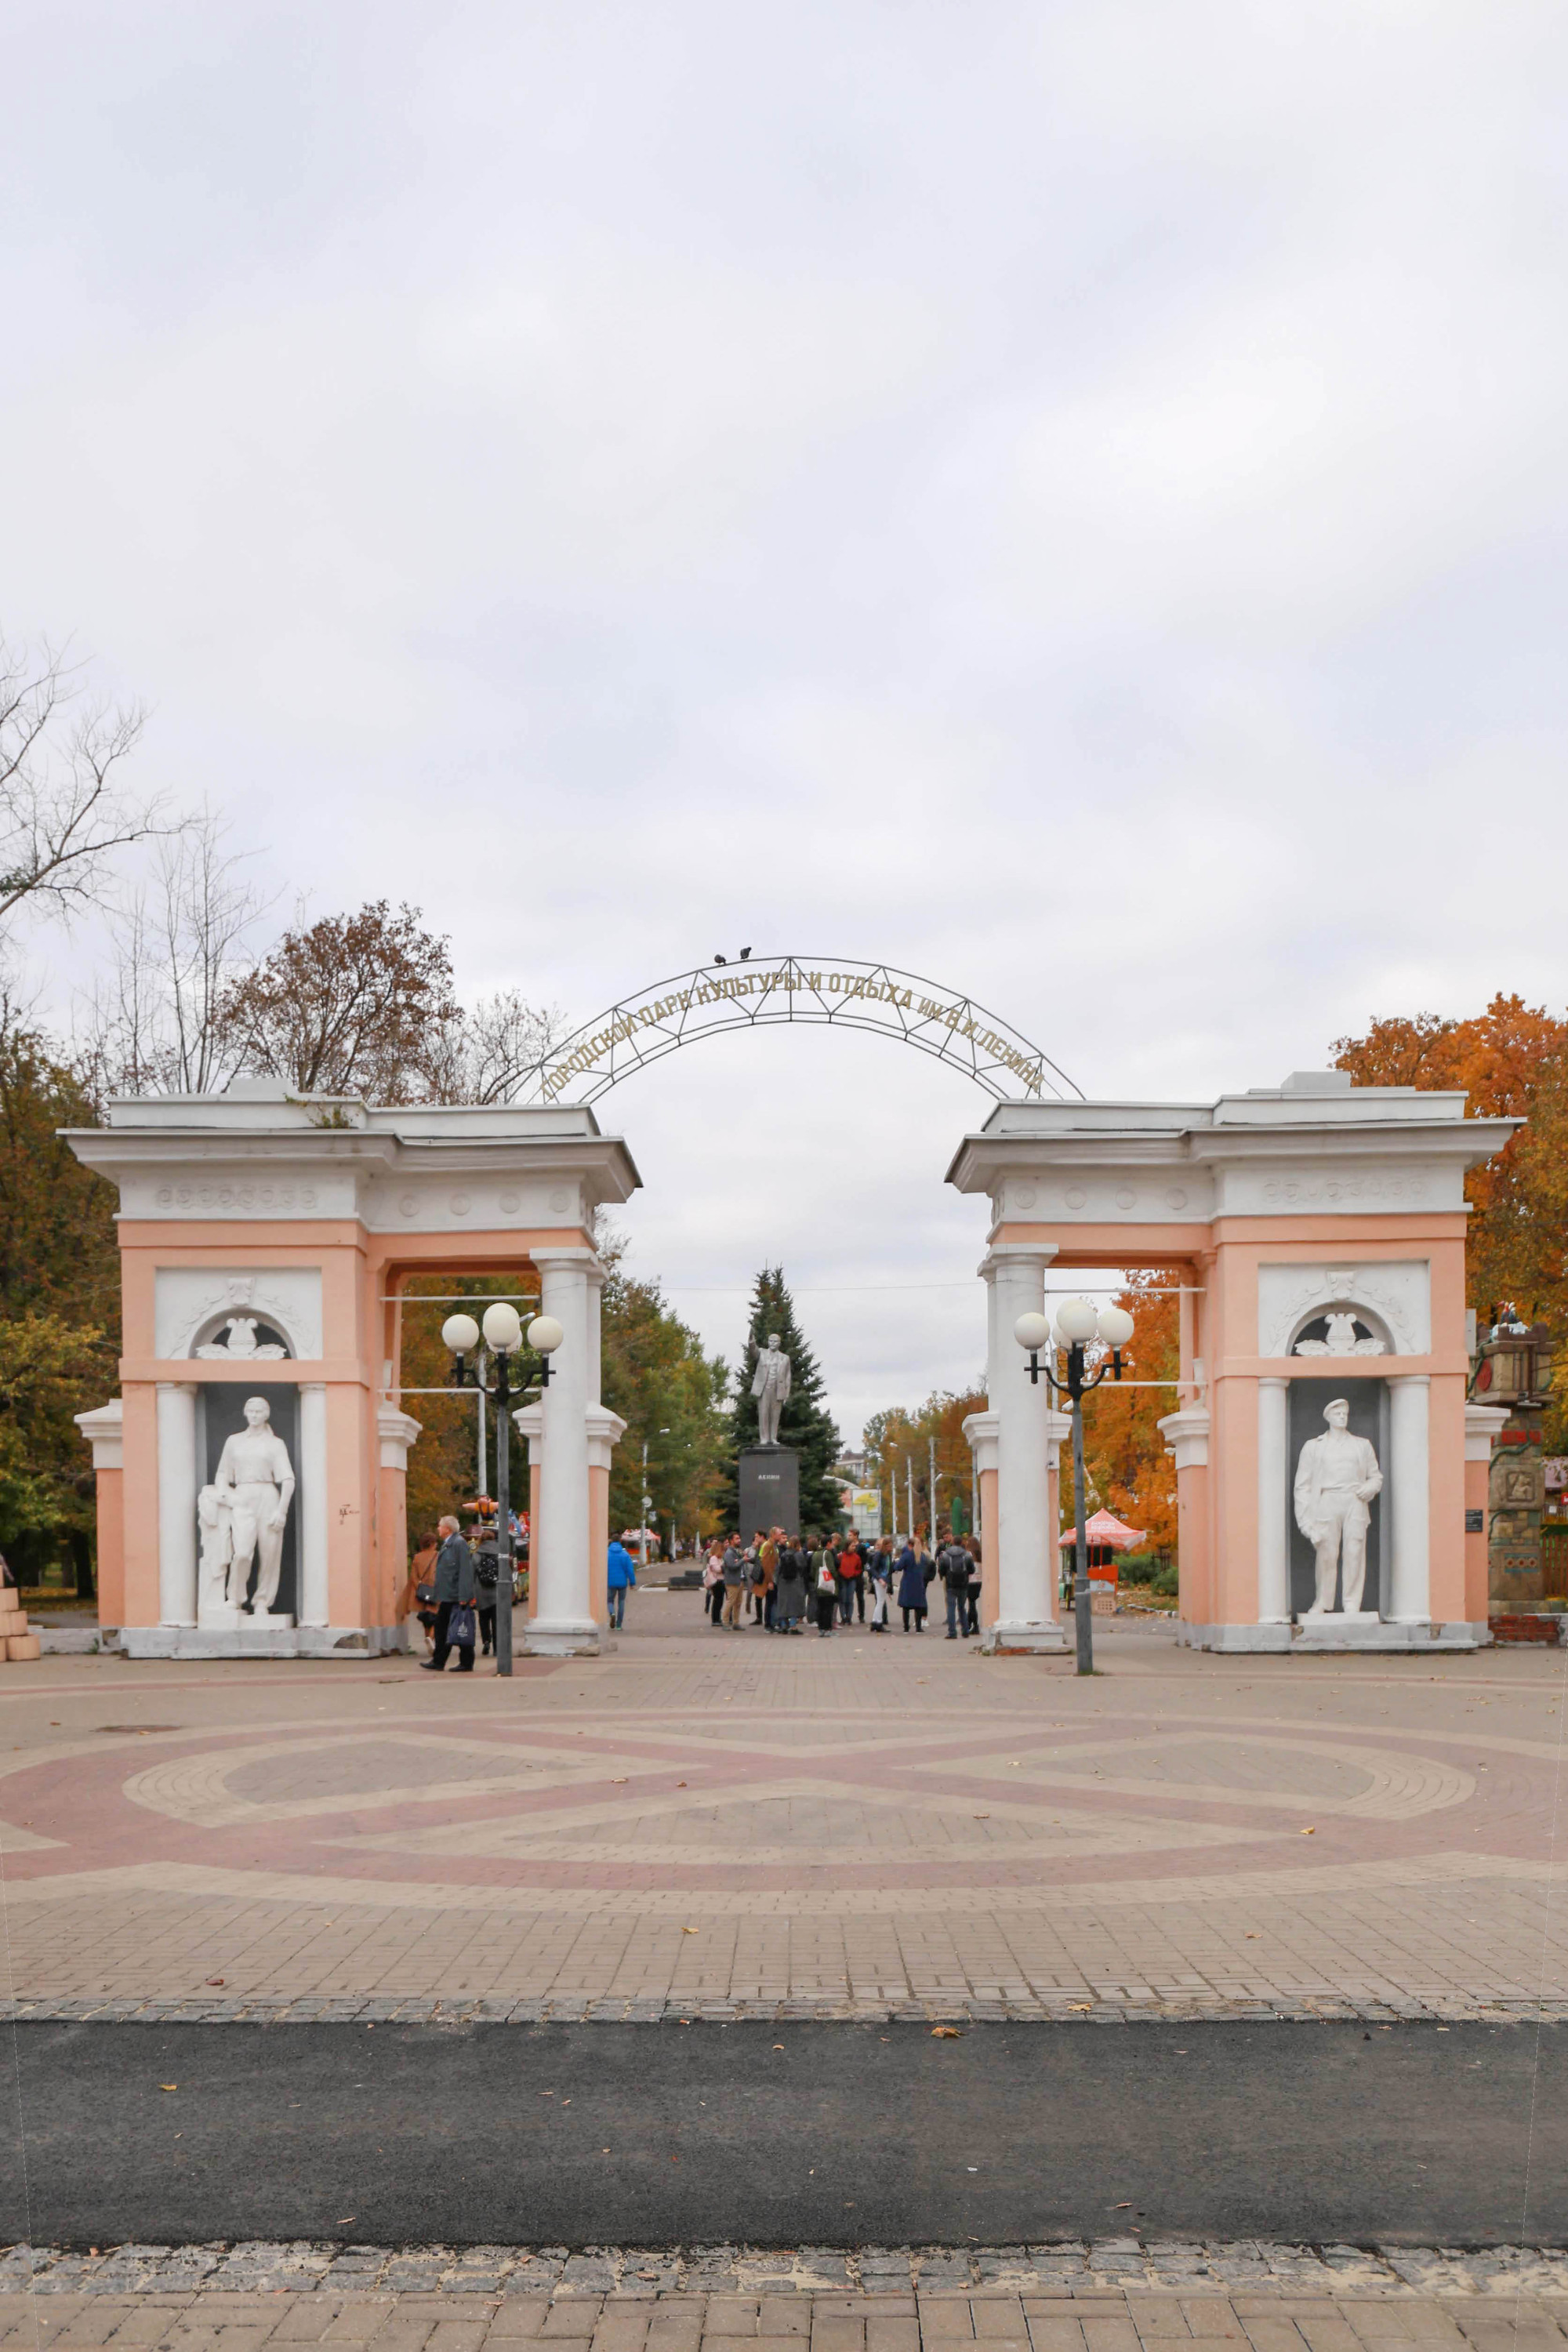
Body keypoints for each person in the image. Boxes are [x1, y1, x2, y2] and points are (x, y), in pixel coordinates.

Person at [421, 1515, 477, 1671]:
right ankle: (439, 1661)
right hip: (448, 1596)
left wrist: (464, 1596)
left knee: (458, 1629)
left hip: (455, 1596)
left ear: (448, 1528)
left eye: (440, 1526)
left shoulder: (458, 1544)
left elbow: (465, 1572)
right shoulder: (449, 1544)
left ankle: (464, 1663)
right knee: (444, 1629)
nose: (438, 1528)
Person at [473, 1521, 499, 1656]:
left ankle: (486, 1642)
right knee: (496, 1620)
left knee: (483, 1619)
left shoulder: (477, 1554)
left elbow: (472, 1573)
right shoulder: (500, 1553)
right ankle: (497, 1648)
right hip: (497, 1593)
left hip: (481, 1592)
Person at [939, 1534, 973, 1639]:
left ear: (952, 1542)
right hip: (963, 1584)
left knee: (951, 1608)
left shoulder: (945, 1555)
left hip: (950, 1584)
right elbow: (972, 1569)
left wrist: (945, 1576)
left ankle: (952, 1632)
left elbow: (941, 1569)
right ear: (961, 1542)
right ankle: (965, 1630)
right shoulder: (967, 1555)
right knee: (962, 1608)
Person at [774, 1535, 808, 1634]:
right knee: (794, 1604)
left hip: (783, 1583)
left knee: (784, 1605)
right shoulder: (799, 1554)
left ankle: (784, 1626)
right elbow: (803, 1567)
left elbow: (778, 1569)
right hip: (795, 1582)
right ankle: (793, 1627)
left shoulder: (784, 1554)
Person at [895, 1538, 927, 1632]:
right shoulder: (922, 1556)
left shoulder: (906, 1556)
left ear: (909, 1545)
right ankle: (918, 1627)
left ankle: (906, 1628)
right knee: (918, 1606)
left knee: (906, 1607)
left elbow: (898, 1567)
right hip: (919, 1582)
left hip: (907, 1582)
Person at [607, 1536, 636, 1629]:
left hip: (610, 1582)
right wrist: (632, 1583)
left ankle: (612, 1613)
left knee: (610, 1601)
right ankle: (619, 1625)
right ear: (620, 1541)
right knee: (621, 1602)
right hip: (622, 1583)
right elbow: (630, 1570)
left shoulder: (606, 1554)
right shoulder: (625, 1554)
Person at [811, 1539, 839, 1635]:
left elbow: (813, 1570)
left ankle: (821, 1629)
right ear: (828, 1543)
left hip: (818, 1583)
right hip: (827, 1585)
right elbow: (831, 1568)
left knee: (821, 1607)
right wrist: (836, 1578)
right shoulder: (827, 1554)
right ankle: (828, 1629)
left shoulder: (815, 1554)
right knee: (828, 1608)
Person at [837, 1537, 865, 1623]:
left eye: (854, 1546)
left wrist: (854, 1574)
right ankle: (843, 1616)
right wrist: (841, 1573)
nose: (854, 1548)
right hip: (842, 1579)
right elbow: (837, 1567)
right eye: (852, 1546)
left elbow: (859, 1568)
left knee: (850, 1598)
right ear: (847, 1546)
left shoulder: (856, 1557)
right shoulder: (841, 1556)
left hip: (852, 1579)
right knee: (843, 1598)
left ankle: (849, 1617)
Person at [721, 1537, 746, 1628]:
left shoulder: (737, 1551)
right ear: (731, 1540)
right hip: (732, 1581)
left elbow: (738, 1563)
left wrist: (740, 1560)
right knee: (730, 1602)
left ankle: (736, 1622)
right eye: (737, 1539)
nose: (739, 1540)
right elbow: (732, 1566)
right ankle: (725, 1622)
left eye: (739, 1538)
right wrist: (742, 1560)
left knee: (738, 1603)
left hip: (740, 1580)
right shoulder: (729, 1553)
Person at [867, 1539, 891, 1632]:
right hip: (880, 1580)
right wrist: (880, 1579)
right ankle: (878, 1623)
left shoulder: (887, 1555)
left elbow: (889, 1567)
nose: (890, 1548)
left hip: (883, 1579)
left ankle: (875, 1621)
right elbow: (873, 1569)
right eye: (888, 1546)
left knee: (880, 1601)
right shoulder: (879, 1555)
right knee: (880, 1602)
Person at [964, 1536, 983, 1636]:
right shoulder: (980, 1554)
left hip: (970, 1581)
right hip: (979, 1581)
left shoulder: (969, 1555)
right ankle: (971, 1624)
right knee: (973, 1603)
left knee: (971, 1604)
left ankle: (973, 1625)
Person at [702, 1544, 725, 1624]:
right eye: (722, 1550)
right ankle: (715, 1619)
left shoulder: (720, 1559)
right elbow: (717, 1569)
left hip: (721, 1580)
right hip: (716, 1581)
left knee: (720, 1601)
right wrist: (724, 1567)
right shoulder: (714, 1558)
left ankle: (718, 1618)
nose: (723, 1552)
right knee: (717, 1601)